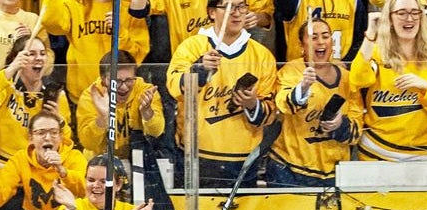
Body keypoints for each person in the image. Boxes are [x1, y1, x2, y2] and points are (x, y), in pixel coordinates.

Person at [167, 0, 278, 187]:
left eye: (241, 6)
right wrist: (199, 71)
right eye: (227, 7)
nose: (235, 13)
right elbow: (174, 88)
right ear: (211, 12)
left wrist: (252, 104)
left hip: (244, 161)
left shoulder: (262, 55)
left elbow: (270, 113)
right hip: (196, 156)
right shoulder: (191, 47)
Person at [350, 0, 427, 161]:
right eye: (402, 13)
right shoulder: (377, 54)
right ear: (389, 19)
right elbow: (358, 80)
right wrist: (371, 34)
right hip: (376, 152)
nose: (409, 18)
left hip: (424, 156)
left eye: (415, 12)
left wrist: (425, 87)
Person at [269, 17, 362, 186]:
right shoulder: (291, 70)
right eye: (313, 37)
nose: (321, 42)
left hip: (334, 173)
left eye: (325, 36)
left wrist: (339, 125)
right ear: (301, 45)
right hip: (290, 170)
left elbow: (356, 130)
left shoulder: (348, 78)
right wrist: (303, 87)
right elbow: (283, 104)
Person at [0, 35, 73, 162]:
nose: (38, 58)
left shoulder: (56, 94)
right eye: (31, 54)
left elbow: (66, 139)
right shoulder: (6, 87)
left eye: (42, 54)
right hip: (5, 163)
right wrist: (11, 69)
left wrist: (59, 121)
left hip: (39, 166)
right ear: (17, 59)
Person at [40, 0, 150, 103]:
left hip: (121, 96)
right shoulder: (74, 4)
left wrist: (120, 33)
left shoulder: (130, 7)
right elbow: (52, 25)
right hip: (82, 96)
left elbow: (138, 55)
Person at [76, 51, 164, 160]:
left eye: (129, 80)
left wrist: (147, 113)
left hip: (137, 161)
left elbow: (157, 132)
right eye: (116, 81)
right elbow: (88, 143)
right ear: (104, 79)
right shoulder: (91, 96)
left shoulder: (145, 91)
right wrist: (102, 118)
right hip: (101, 162)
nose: (124, 87)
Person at [273, 0, 359, 61]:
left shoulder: (354, 2)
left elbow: (359, 38)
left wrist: (346, 63)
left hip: (340, 70)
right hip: (300, 71)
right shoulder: (295, 2)